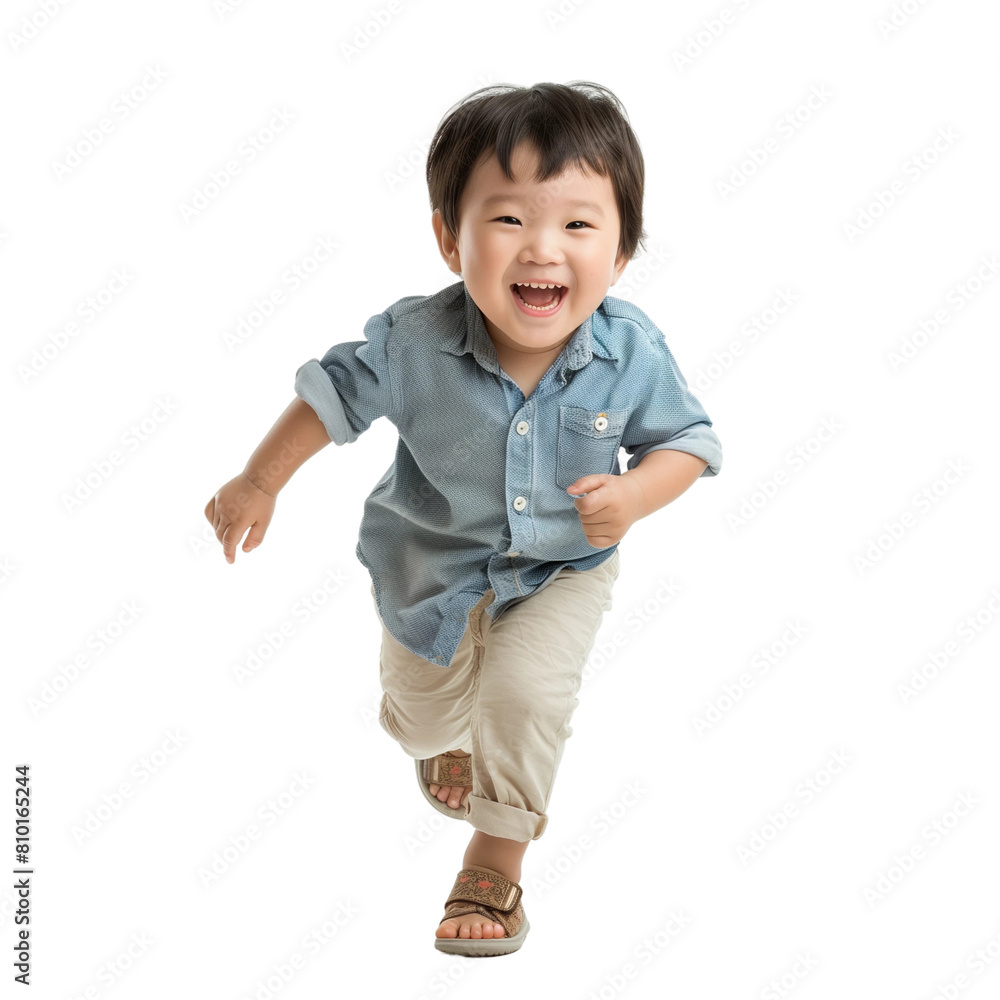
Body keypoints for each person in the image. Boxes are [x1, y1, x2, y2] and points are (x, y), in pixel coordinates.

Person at [204, 80, 722, 957]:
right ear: (451, 239)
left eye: (578, 225)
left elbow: (691, 442)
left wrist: (636, 494)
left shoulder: (631, 351)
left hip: (563, 570)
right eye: (509, 220)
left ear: (624, 252)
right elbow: (329, 397)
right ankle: (440, 738)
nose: (542, 250)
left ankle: (498, 851)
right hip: (428, 569)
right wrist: (261, 479)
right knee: (424, 719)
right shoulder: (413, 341)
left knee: (527, 697)